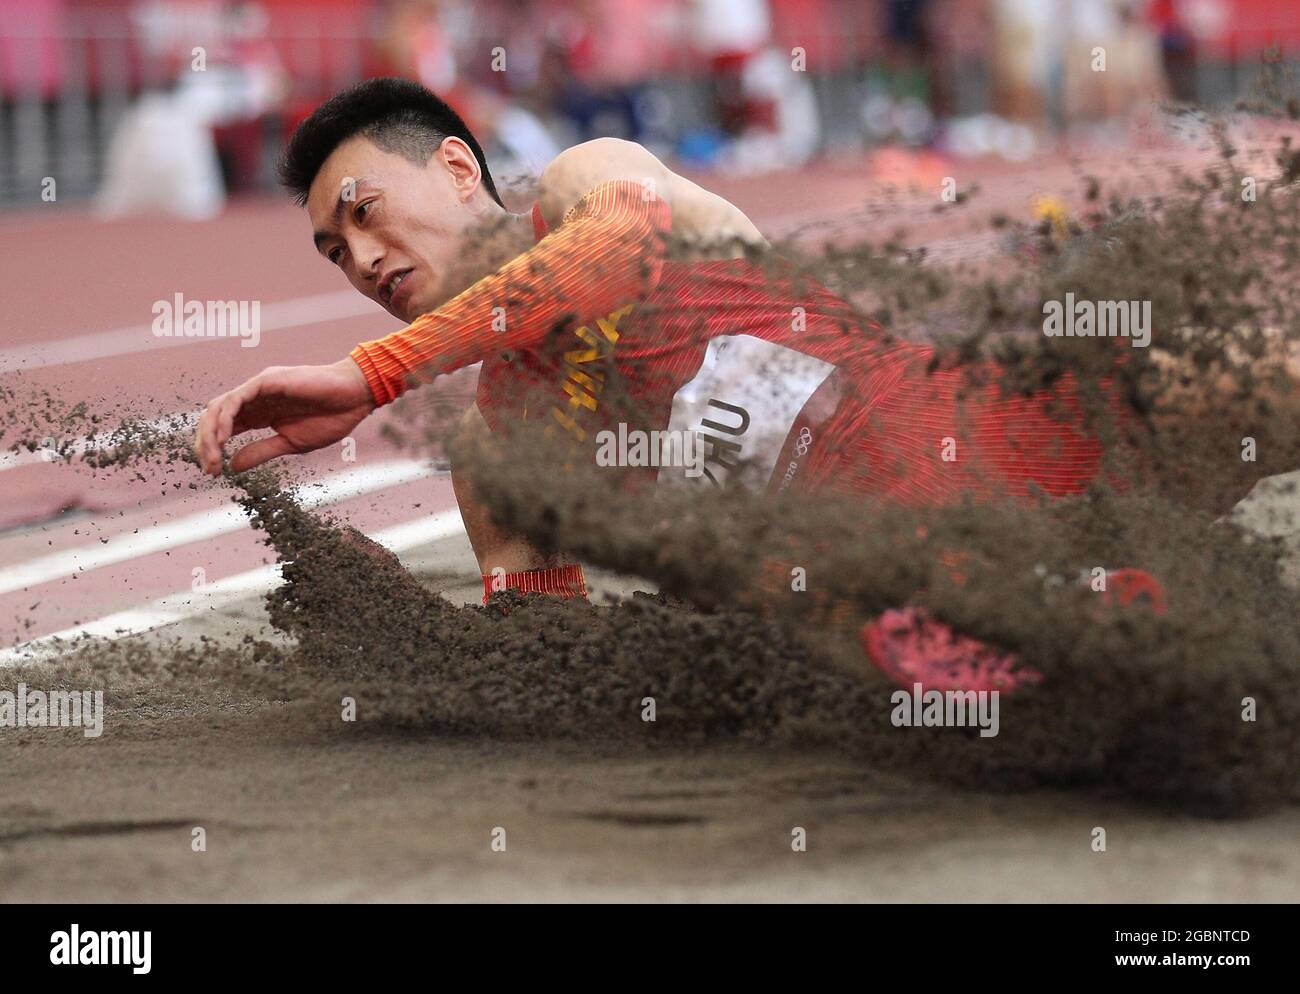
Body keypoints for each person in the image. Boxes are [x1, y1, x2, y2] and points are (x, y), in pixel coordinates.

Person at [193, 78, 1296, 691]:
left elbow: (619, 256)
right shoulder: (497, 459)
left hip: (994, 427)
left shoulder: (588, 182)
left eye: (360, 209)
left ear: (452, 166)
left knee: (1227, 379)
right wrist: (392, 633)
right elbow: (559, 669)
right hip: (898, 588)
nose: (359, 256)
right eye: (332, 254)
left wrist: (369, 374)